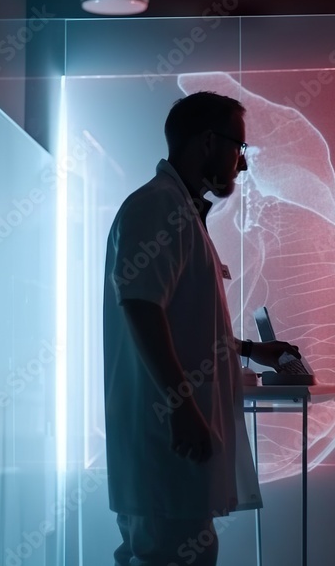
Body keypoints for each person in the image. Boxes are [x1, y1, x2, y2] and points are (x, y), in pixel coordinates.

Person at [103, 91, 299, 566]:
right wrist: (181, 407)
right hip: (166, 443)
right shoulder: (158, 208)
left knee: (170, 552)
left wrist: (254, 350)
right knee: (170, 553)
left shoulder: (179, 211)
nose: (243, 166)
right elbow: (142, 309)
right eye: (239, 149)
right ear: (209, 143)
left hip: (175, 444)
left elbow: (182, 323)